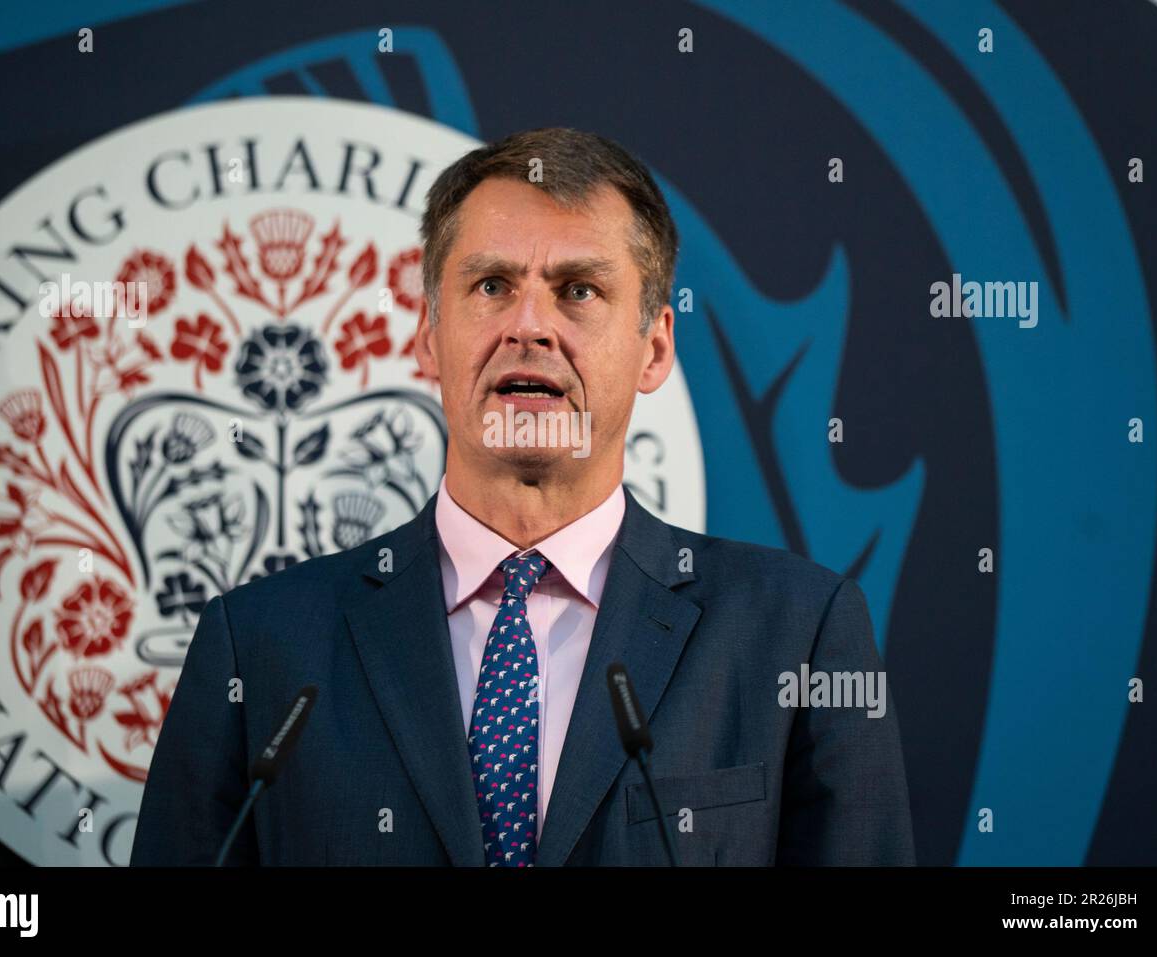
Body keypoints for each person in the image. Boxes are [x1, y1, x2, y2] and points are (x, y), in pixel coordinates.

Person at [130, 127, 916, 866]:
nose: (529, 325)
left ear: (655, 348)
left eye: (577, 290)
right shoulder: (261, 644)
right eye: (493, 284)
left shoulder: (796, 632)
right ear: (428, 340)